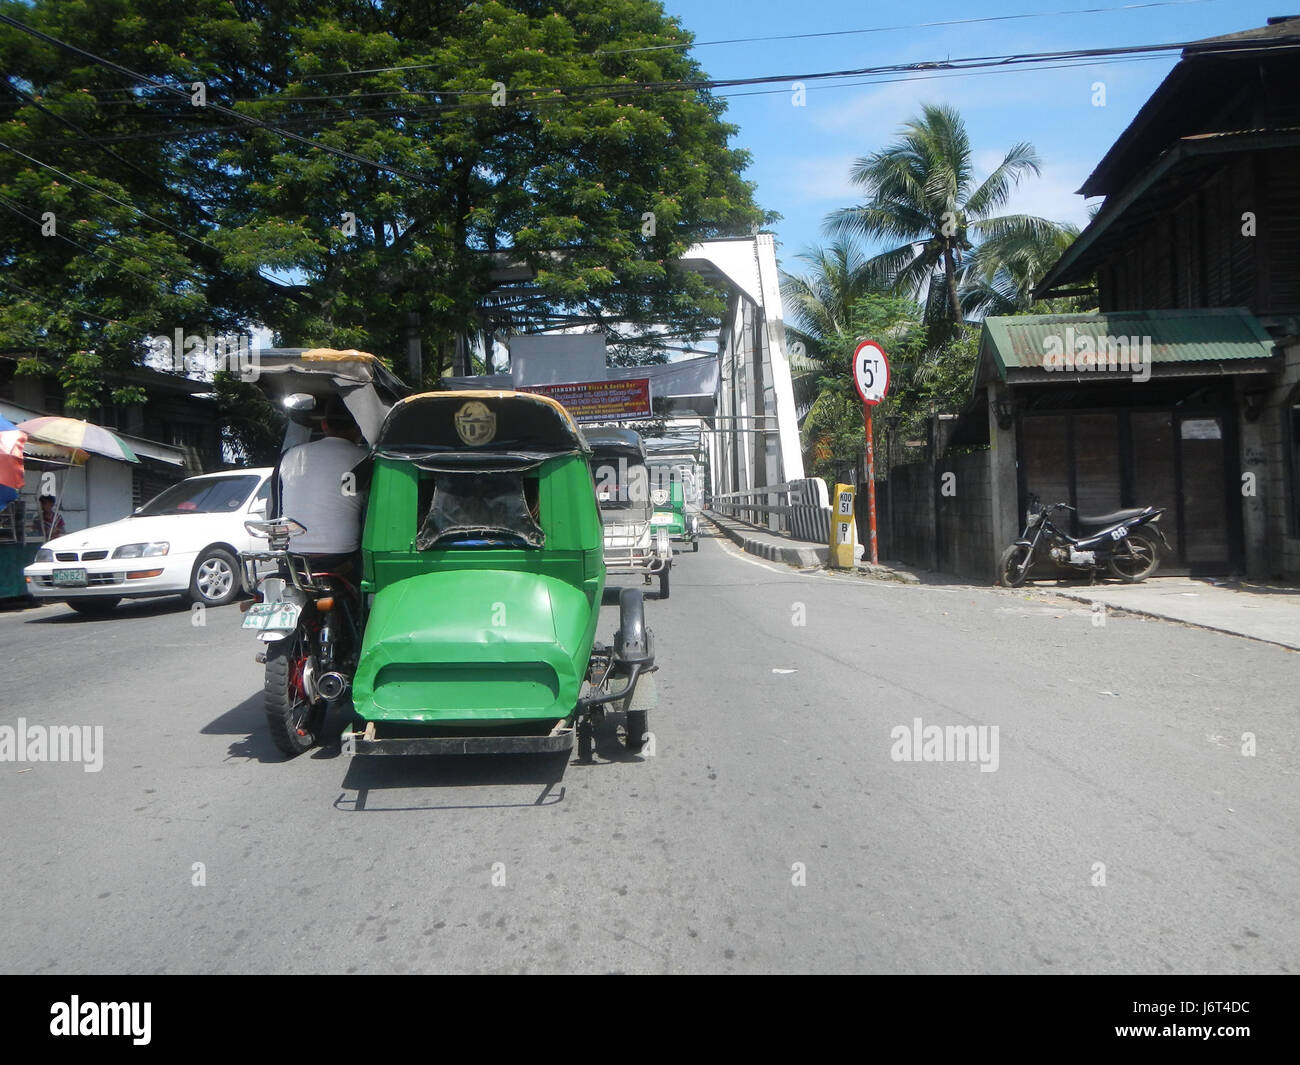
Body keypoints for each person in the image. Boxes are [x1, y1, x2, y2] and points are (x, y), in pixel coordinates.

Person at [278, 396, 368, 570]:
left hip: (293, 555)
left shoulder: (290, 455)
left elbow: (276, 505)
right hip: (341, 556)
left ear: (324, 424)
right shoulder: (364, 458)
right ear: (360, 426)